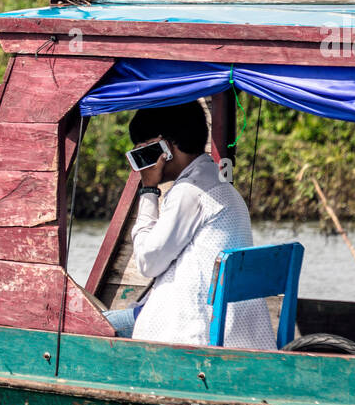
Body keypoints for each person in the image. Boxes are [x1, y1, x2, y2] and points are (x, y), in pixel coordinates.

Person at [113, 100, 277, 350]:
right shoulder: (218, 181)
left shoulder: (189, 191)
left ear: (165, 147)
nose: (142, 165)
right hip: (233, 327)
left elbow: (147, 262)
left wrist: (148, 189)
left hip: (192, 329)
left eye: (144, 153)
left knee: (88, 326)